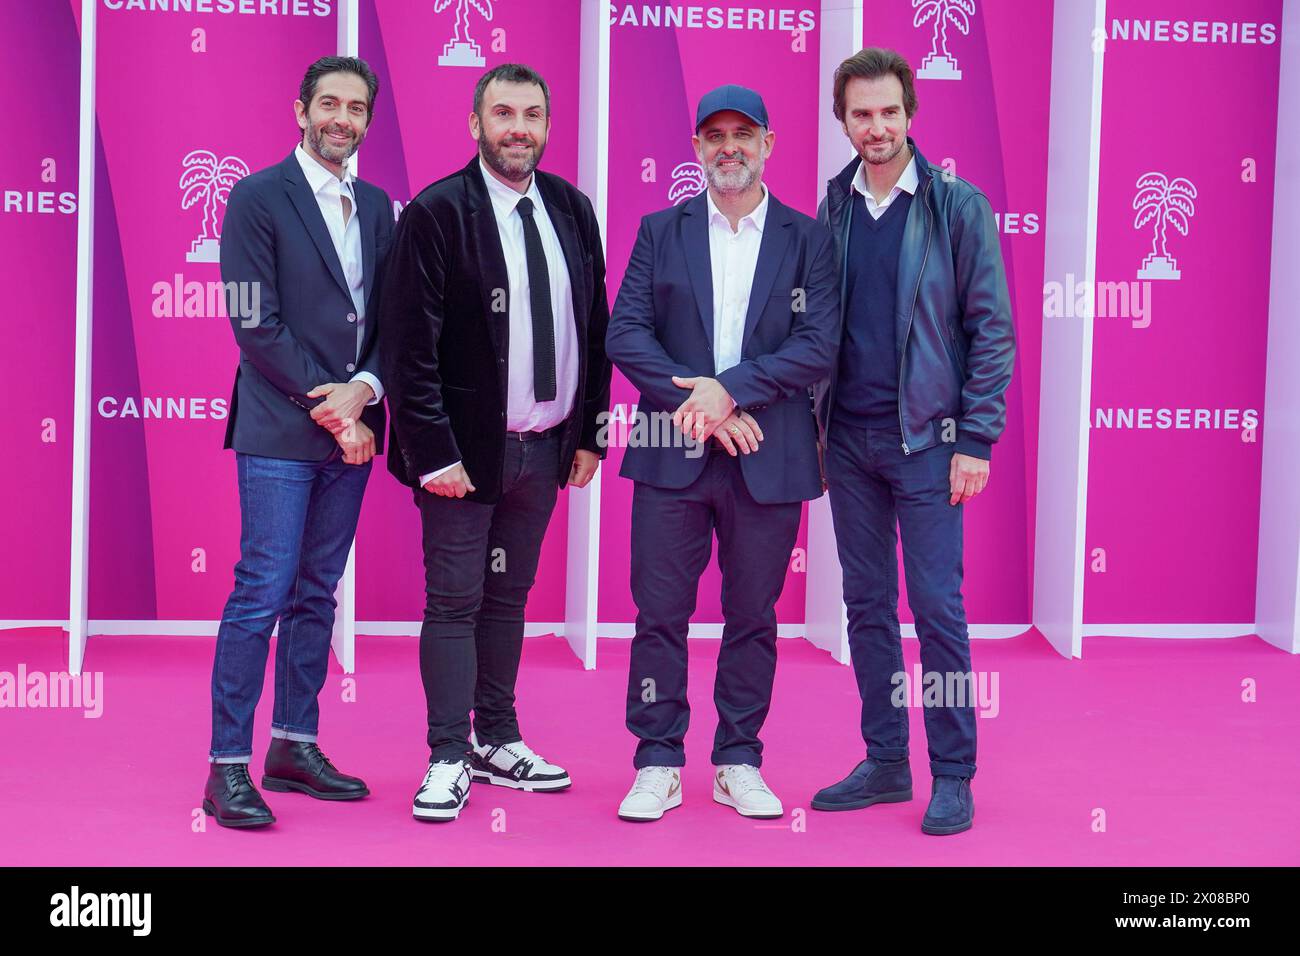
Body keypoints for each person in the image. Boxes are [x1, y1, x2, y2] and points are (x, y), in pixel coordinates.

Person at [380, 64, 612, 822]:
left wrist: (590, 433)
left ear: (547, 126)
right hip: (462, 455)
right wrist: (433, 452)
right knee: (454, 602)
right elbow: (409, 348)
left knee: (508, 598)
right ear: (476, 124)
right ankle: (448, 753)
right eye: (504, 114)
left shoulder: (572, 209)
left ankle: (498, 740)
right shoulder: (438, 211)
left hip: (544, 451)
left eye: (532, 115)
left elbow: (595, 328)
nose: (519, 128)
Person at [606, 85, 840, 822]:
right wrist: (699, 407)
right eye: (715, 135)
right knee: (659, 613)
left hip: (769, 454)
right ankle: (657, 761)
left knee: (753, 615)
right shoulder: (660, 230)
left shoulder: (809, 239)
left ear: (768, 143)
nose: (729, 147)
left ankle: (739, 758)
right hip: (671, 454)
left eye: (743, 134)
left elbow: (818, 344)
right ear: (698, 147)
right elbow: (626, 333)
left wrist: (729, 393)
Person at [810, 48, 1015, 835]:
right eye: (862, 114)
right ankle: (887, 760)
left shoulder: (956, 206)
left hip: (930, 442)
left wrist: (977, 438)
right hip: (849, 444)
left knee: (936, 609)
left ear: (909, 114)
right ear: (844, 121)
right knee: (866, 606)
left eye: (889, 111)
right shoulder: (833, 205)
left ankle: (954, 773)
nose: (878, 127)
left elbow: (991, 330)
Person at [205, 56, 394, 828]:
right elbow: (255, 323)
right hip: (284, 428)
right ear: (301, 111)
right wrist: (337, 408)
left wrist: (366, 391)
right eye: (329, 104)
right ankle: (226, 767)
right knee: (264, 588)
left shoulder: (378, 207)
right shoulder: (257, 196)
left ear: (367, 120)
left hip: (354, 432)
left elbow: (393, 320)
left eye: (356, 107)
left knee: (318, 592)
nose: (341, 118)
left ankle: (293, 744)